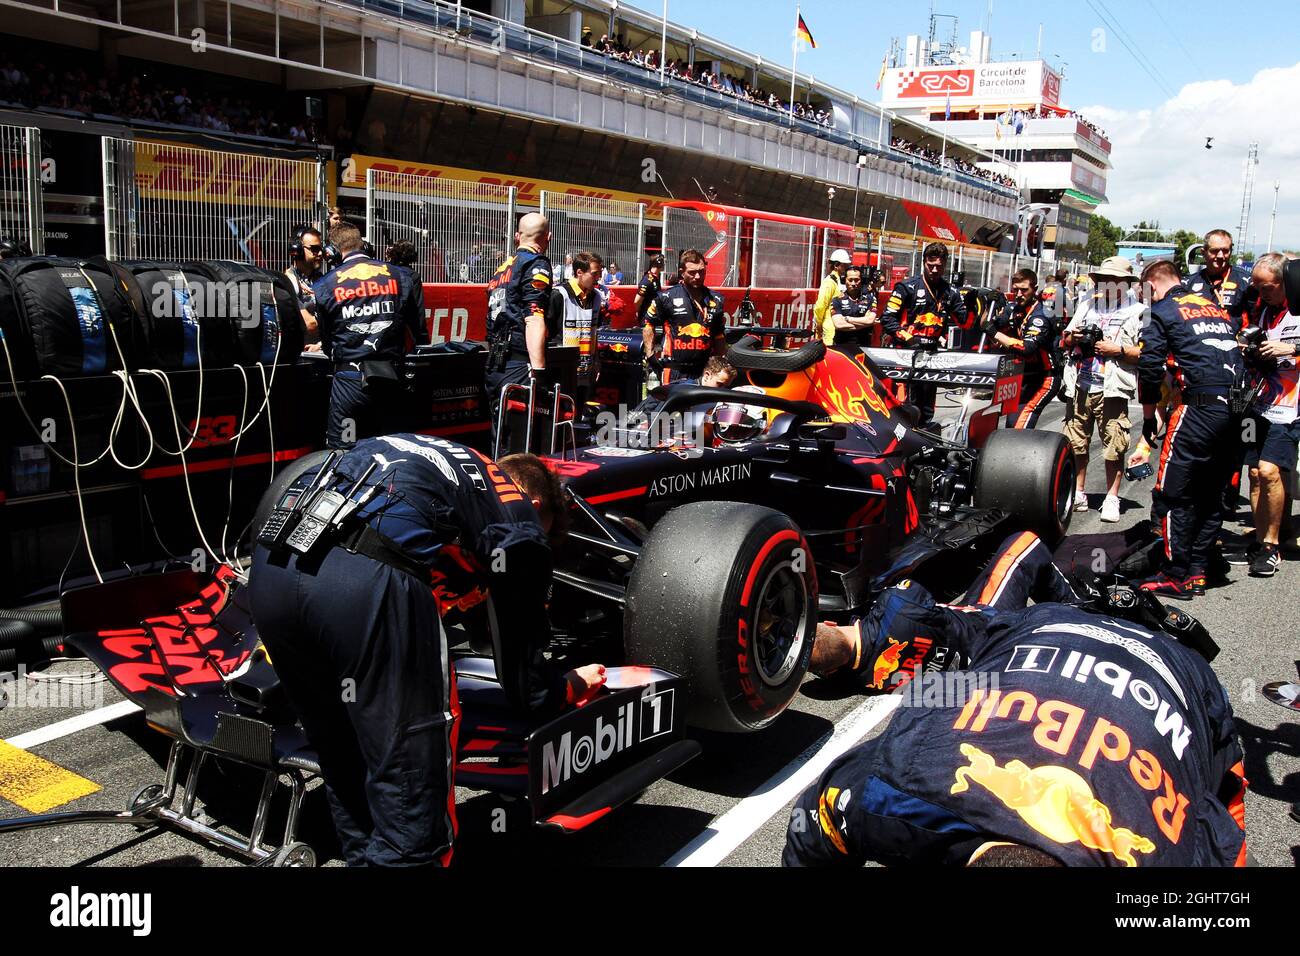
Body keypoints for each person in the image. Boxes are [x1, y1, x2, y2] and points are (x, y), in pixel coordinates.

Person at [250, 438, 606, 867]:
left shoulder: (426, 458)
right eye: (544, 527)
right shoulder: (516, 507)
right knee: (410, 783)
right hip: (362, 582)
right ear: (533, 501)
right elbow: (522, 671)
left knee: (347, 757)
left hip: (271, 571)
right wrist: (560, 689)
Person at [786, 593, 1248, 866]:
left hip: (1039, 642)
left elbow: (1227, 816)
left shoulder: (899, 788)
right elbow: (1226, 812)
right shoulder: (1167, 859)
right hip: (1146, 668)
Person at [809, 531, 1077, 693]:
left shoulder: (856, 679)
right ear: (831, 622)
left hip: (974, 665)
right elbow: (909, 574)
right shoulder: (898, 606)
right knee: (1024, 543)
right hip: (991, 627)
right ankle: (1080, 614)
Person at [1136, 260, 1245, 600]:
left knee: (1172, 492)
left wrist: (1149, 417)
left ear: (1152, 286)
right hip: (1239, 408)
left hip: (1200, 407)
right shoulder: (1212, 306)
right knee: (1210, 492)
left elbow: (1150, 365)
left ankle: (1174, 574)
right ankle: (1198, 570)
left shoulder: (1160, 310)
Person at [314, 222, 424, 449]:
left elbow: (327, 341)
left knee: (344, 452)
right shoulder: (400, 276)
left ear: (333, 251)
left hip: (349, 385)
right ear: (362, 245)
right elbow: (418, 330)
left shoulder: (326, 284)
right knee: (392, 450)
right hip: (392, 380)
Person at [1223, 253, 1300, 578]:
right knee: (1255, 473)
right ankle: (1260, 535)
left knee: (1270, 471)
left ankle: (1271, 546)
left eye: (1266, 286)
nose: (1259, 292)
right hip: (1257, 405)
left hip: (1289, 408)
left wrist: (1292, 349)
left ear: (1285, 283)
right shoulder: (1263, 309)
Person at [1061, 256, 1144, 522]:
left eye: (1115, 280)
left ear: (1126, 284)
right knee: (1076, 444)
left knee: (1114, 445)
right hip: (1080, 384)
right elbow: (1064, 338)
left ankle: (1111, 497)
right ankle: (1080, 492)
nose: (1109, 284)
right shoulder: (1087, 304)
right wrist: (1074, 337)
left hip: (1112, 387)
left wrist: (1116, 349)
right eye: (1105, 279)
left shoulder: (1138, 311)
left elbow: (1148, 353)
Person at [485, 212, 553, 441]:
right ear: (548, 237)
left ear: (517, 236)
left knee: (500, 435)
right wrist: (539, 372)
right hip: (517, 360)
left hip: (495, 363)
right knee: (521, 438)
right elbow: (534, 317)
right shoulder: (537, 263)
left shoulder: (502, 268)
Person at [880, 242, 966, 422]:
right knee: (904, 407)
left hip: (932, 355)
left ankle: (926, 439)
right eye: (931, 265)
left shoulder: (950, 291)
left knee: (927, 408)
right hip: (906, 354)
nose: (935, 270)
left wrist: (974, 305)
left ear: (945, 265)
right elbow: (887, 318)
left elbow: (964, 321)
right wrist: (909, 339)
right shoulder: (906, 287)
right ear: (924, 262)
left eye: (939, 266)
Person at [986, 269, 1060, 429]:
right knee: (1011, 426)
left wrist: (994, 332)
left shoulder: (1041, 315)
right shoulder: (1013, 309)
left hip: (1045, 378)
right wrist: (988, 306)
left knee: (1020, 427)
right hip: (1021, 376)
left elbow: (1027, 348)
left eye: (1024, 290)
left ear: (1035, 289)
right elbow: (987, 327)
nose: (1019, 294)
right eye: (1015, 290)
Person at [643, 249, 727, 385]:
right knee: (673, 406)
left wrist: (721, 361)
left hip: (704, 369)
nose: (698, 276)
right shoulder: (666, 297)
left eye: (701, 271)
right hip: (674, 369)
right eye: (692, 272)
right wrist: (650, 355)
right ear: (682, 272)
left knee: (703, 406)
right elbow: (648, 325)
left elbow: (718, 335)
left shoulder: (716, 299)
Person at [547, 249, 604, 406]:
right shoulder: (559, 295)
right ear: (579, 272)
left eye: (599, 274)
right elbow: (547, 334)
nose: (598, 279)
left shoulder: (597, 297)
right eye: (594, 274)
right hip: (562, 372)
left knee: (581, 416)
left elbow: (595, 331)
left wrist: (596, 362)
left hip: (587, 372)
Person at [1187, 229, 1252, 327]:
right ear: (1203, 252)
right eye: (1215, 251)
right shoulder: (1187, 283)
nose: (1221, 256)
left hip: (1234, 340)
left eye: (1225, 251)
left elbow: (1257, 318)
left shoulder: (1246, 281)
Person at [286, 225, 324, 351]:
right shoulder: (289, 282)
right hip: (302, 354)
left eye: (320, 249)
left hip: (321, 348)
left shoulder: (321, 279)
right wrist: (333, 319)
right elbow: (310, 324)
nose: (320, 253)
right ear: (298, 250)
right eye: (314, 249)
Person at [827, 265, 877, 356]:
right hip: (841, 349)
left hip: (864, 349)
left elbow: (870, 320)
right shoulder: (837, 300)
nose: (853, 283)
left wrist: (848, 319)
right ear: (844, 280)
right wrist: (865, 324)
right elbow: (839, 325)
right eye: (850, 280)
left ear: (861, 280)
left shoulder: (870, 299)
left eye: (856, 280)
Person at [814, 249, 852, 347]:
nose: (847, 268)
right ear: (836, 265)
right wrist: (818, 324)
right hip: (830, 331)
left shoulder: (839, 281)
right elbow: (820, 306)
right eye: (845, 265)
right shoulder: (829, 282)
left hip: (839, 329)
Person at [634, 254, 666, 328]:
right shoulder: (647, 281)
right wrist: (638, 311)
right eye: (663, 263)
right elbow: (636, 301)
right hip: (647, 318)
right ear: (659, 264)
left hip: (654, 316)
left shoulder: (655, 278)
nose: (664, 265)